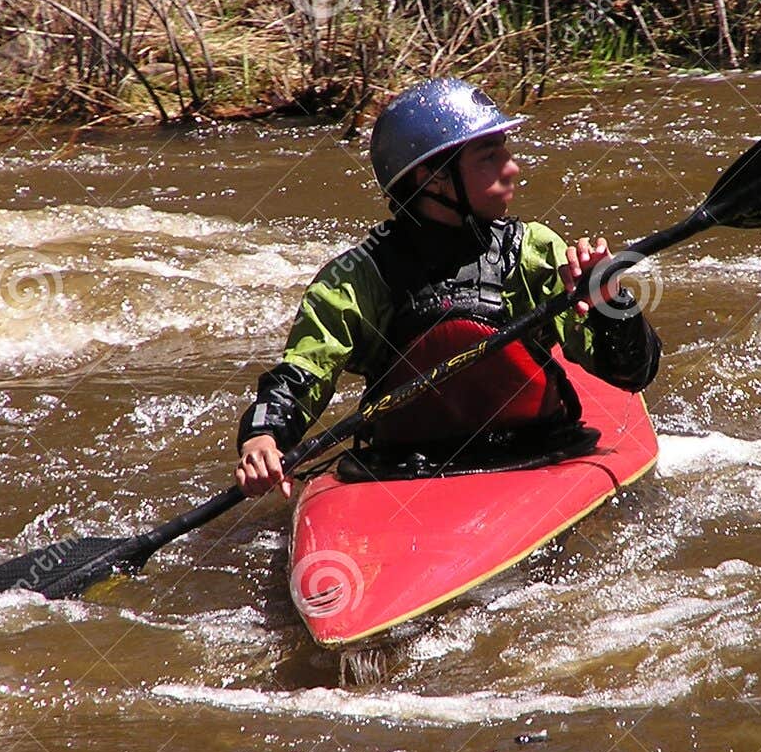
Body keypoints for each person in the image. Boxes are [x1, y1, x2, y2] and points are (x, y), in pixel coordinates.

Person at [235, 78, 661, 497]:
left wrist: (609, 301)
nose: (512, 168)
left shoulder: (534, 252)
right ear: (434, 177)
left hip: (539, 449)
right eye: (489, 157)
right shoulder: (356, 278)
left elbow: (631, 373)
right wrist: (263, 438)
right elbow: (301, 375)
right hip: (406, 467)